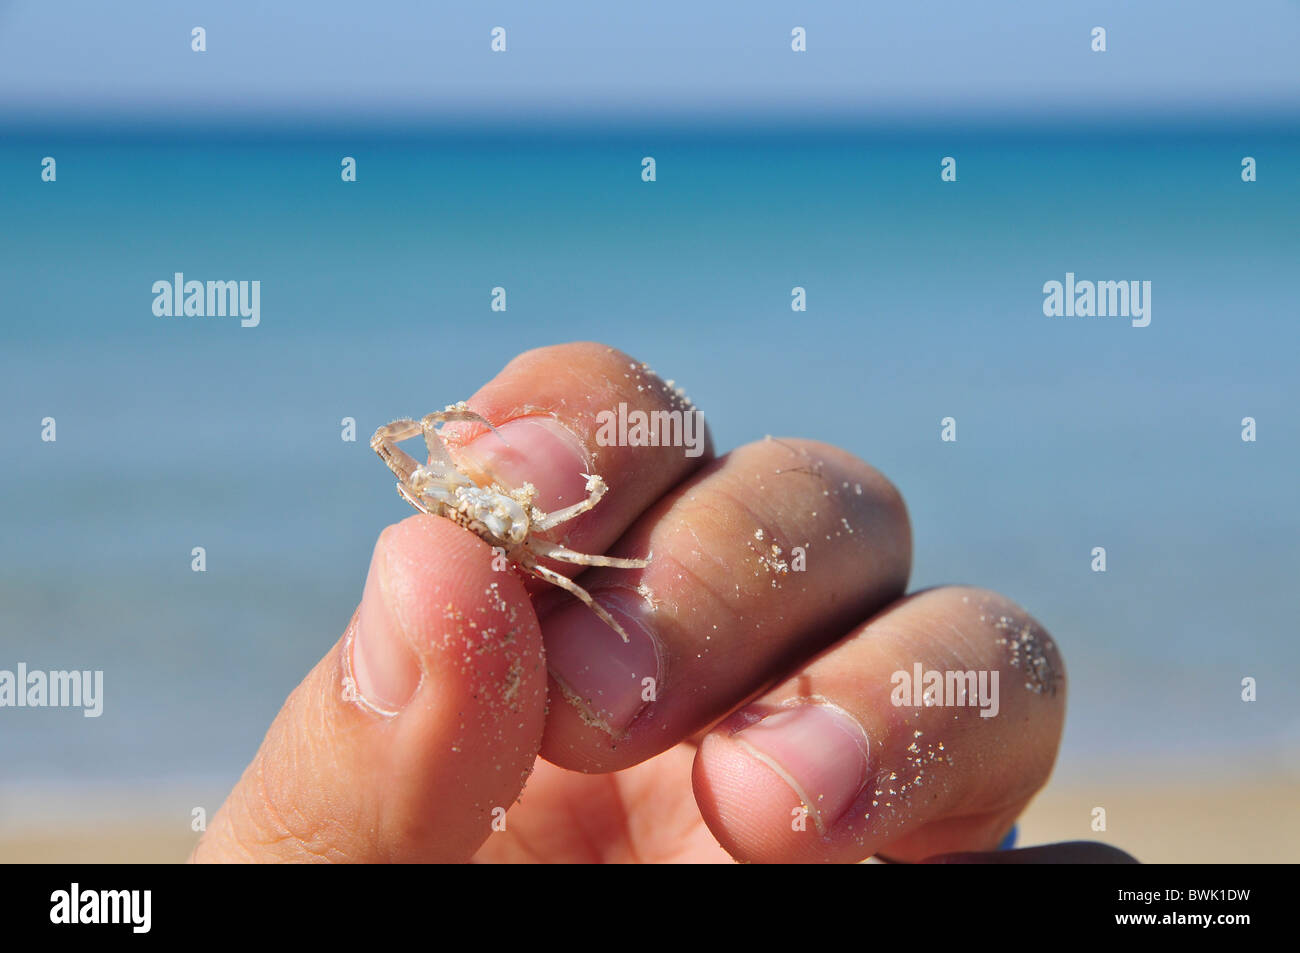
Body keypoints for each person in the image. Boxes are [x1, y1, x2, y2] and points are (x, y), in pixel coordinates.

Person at [190, 342, 1133, 863]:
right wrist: (452, 434)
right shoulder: (443, 511)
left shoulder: (550, 550)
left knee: (621, 602)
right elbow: (397, 450)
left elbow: (578, 537)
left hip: (544, 571)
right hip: (505, 563)